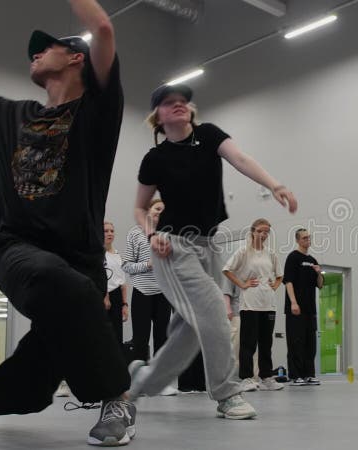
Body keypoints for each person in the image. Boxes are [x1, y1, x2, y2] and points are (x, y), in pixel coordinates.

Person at [0, 2, 136, 445]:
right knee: (55, 279)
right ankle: (118, 398)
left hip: (80, 260)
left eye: (44, 48)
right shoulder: (16, 115)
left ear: (75, 58)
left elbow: (103, 27)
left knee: (28, 392)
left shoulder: (96, 113)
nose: (33, 54)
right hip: (17, 247)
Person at [128, 83, 297, 419]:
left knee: (189, 330)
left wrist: (273, 184)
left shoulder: (208, 135)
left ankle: (142, 382)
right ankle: (226, 393)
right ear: (157, 117)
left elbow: (241, 158)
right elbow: (139, 207)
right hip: (173, 248)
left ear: (190, 110)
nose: (178, 105)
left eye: (182, 101)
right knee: (215, 314)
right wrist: (151, 234)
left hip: (209, 244)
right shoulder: (155, 158)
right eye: (168, 103)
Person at [224, 218, 285, 392]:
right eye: (260, 231)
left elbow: (280, 275)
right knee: (248, 343)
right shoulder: (243, 252)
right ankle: (246, 378)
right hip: (249, 304)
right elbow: (227, 270)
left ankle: (266, 377)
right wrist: (242, 284)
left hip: (268, 304)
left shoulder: (271, 253)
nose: (263, 235)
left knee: (266, 343)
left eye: (266, 232)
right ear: (253, 231)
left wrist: (275, 285)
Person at [121, 199, 172, 365]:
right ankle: (139, 379)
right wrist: (147, 265)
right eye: (157, 208)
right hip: (142, 293)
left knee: (162, 338)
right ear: (148, 210)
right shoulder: (135, 233)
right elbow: (126, 265)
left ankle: (160, 381)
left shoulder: (167, 235)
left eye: (163, 210)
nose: (159, 212)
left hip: (163, 293)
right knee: (140, 339)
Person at [283, 228, 324, 386]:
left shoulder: (313, 260)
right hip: (296, 308)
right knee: (296, 342)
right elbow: (288, 281)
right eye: (305, 238)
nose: (308, 240)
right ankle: (295, 376)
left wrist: (319, 273)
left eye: (309, 237)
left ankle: (309, 374)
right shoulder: (293, 258)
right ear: (298, 240)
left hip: (310, 309)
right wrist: (293, 302)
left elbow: (319, 285)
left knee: (310, 342)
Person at [104, 221, 128, 347]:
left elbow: (123, 283)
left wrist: (125, 304)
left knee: (117, 335)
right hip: (103, 296)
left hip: (117, 297)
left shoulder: (118, 255)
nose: (109, 233)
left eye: (112, 231)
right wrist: (105, 296)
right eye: (106, 231)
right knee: (104, 334)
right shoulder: (98, 254)